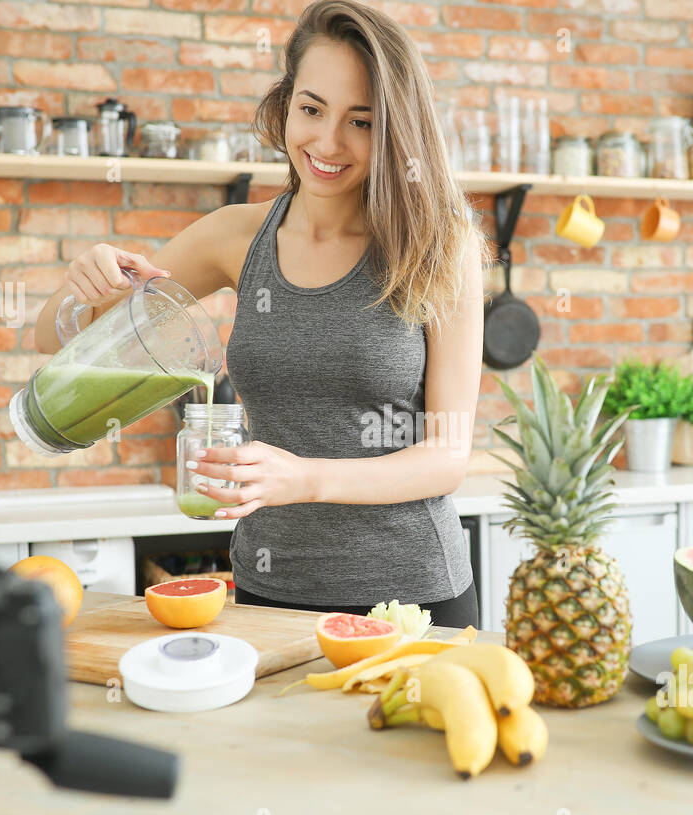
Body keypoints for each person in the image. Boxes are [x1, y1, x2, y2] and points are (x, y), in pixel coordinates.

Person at [34, 0, 489, 627]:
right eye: (311, 109)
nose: (327, 143)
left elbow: (447, 456)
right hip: (270, 591)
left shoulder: (440, 245)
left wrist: (303, 478)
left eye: (361, 121)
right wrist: (80, 289)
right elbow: (55, 341)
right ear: (284, 105)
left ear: (395, 129)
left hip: (411, 597)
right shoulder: (235, 238)